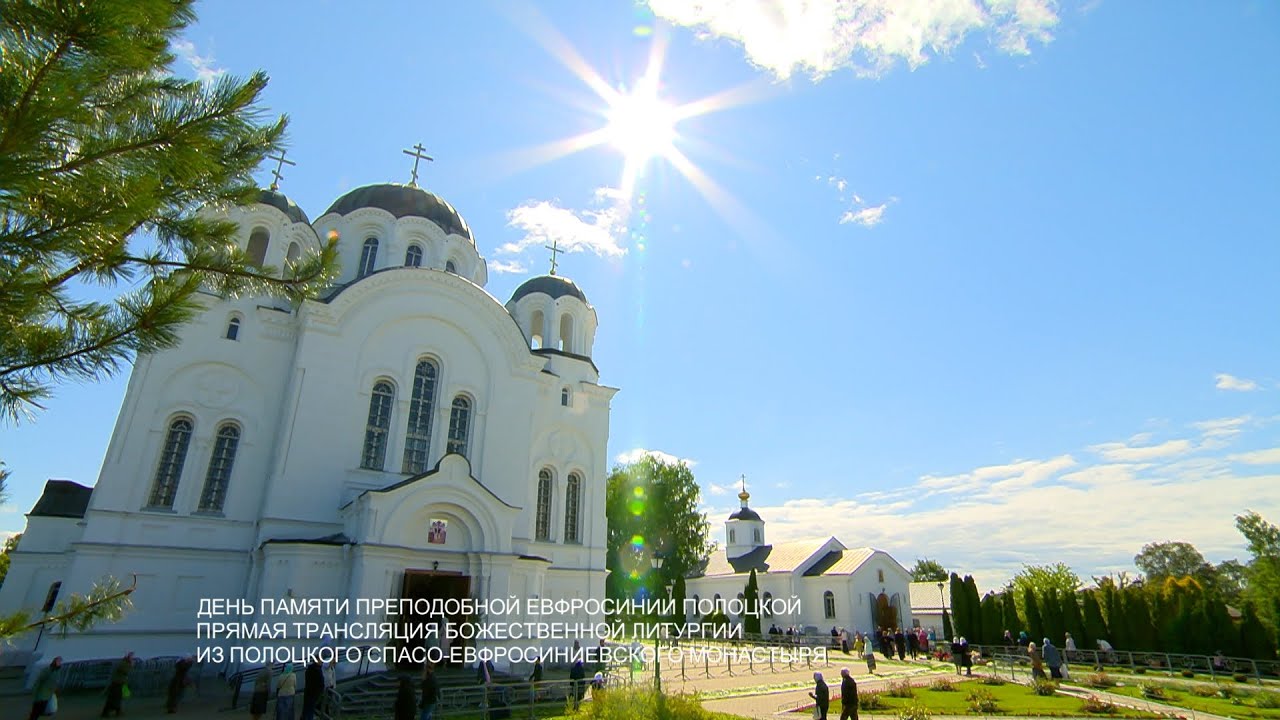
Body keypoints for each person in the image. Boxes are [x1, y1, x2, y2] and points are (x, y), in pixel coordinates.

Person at [101, 651, 134, 717]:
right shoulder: (123, 664)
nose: (132, 658)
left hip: (119, 682)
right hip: (117, 683)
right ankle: (108, 712)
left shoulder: (123, 663)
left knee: (116, 698)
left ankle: (116, 711)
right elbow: (125, 671)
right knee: (115, 698)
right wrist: (131, 665)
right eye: (131, 657)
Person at [29, 655, 61, 720]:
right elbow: (39, 680)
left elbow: (54, 683)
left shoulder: (57, 672)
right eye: (58, 662)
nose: (59, 663)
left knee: (38, 712)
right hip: (41, 695)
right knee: (36, 712)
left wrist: (55, 690)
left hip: (47, 695)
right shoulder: (48, 671)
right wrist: (34, 691)